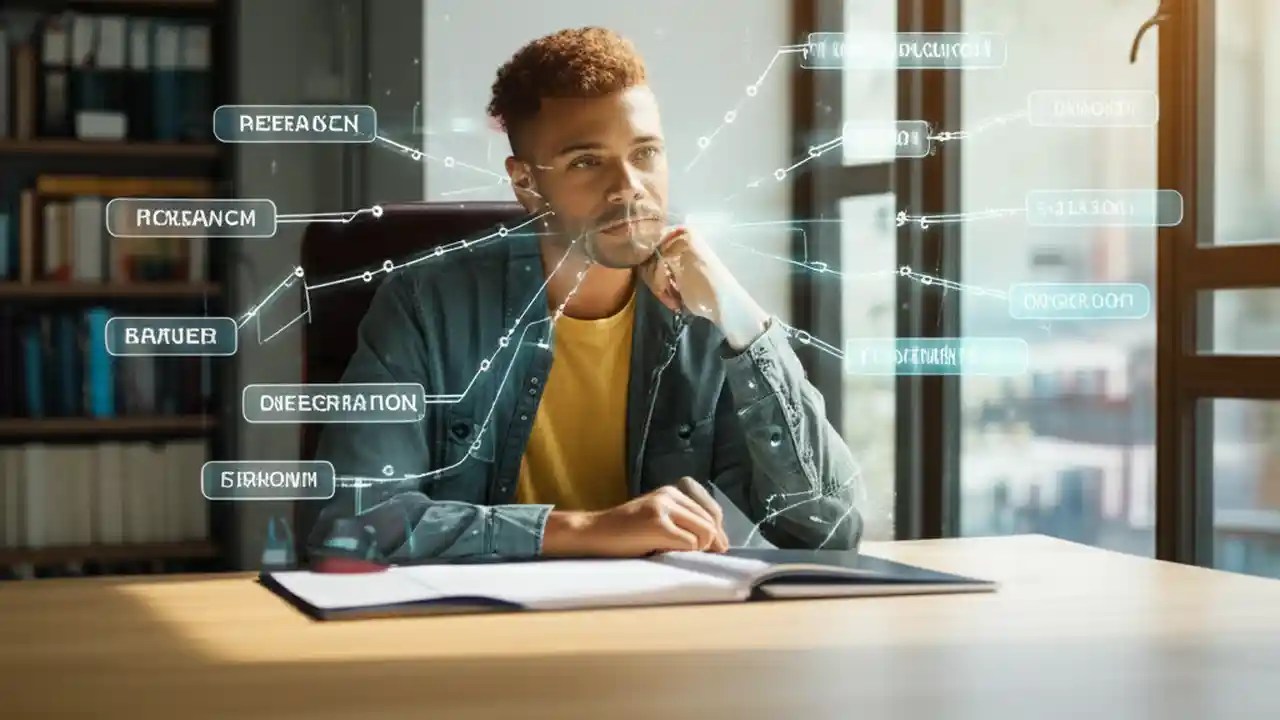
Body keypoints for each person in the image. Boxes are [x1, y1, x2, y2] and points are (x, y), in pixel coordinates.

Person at [308, 27, 863, 563]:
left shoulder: (703, 313)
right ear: (526, 182)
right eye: (586, 162)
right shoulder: (423, 303)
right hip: (474, 635)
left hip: (654, 635)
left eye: (645, 153)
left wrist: (742, 318)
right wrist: (590, 529)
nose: (629, 186)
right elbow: (355, 521)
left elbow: (825, 528)